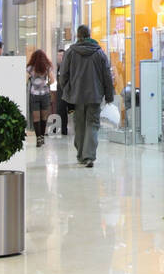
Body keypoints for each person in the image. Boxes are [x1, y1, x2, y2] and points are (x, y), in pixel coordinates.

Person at [58, 25, 113, 168]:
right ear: (89, 35)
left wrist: (67, 90)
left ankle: (81, 155)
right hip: (95, 95)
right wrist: (109, 95)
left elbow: (63, 75)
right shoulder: (99, 53)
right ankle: (89, 156)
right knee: (92, 124)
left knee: (79, 125)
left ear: (78, 35)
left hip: (76, 96)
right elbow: (107, 76)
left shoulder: (70, 52)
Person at [26, 49, 53, 147]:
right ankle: (42, 137)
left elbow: (25, 80)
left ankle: (38, 138)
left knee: (36, 117)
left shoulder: (30, 68)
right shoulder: (47, 67)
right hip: (45, 94)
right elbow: (53, 80)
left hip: (34, 94)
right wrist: (46, 84)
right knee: (44, 117)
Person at [54, 48, 70, 136]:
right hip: (60, 90)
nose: (60, 57)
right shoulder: (57, 67)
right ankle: (61, 129)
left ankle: (63, 129)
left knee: (62, 110)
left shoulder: (67, 66)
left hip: (65, 91)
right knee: (60, 110)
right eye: (59, 55)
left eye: (62, 55)